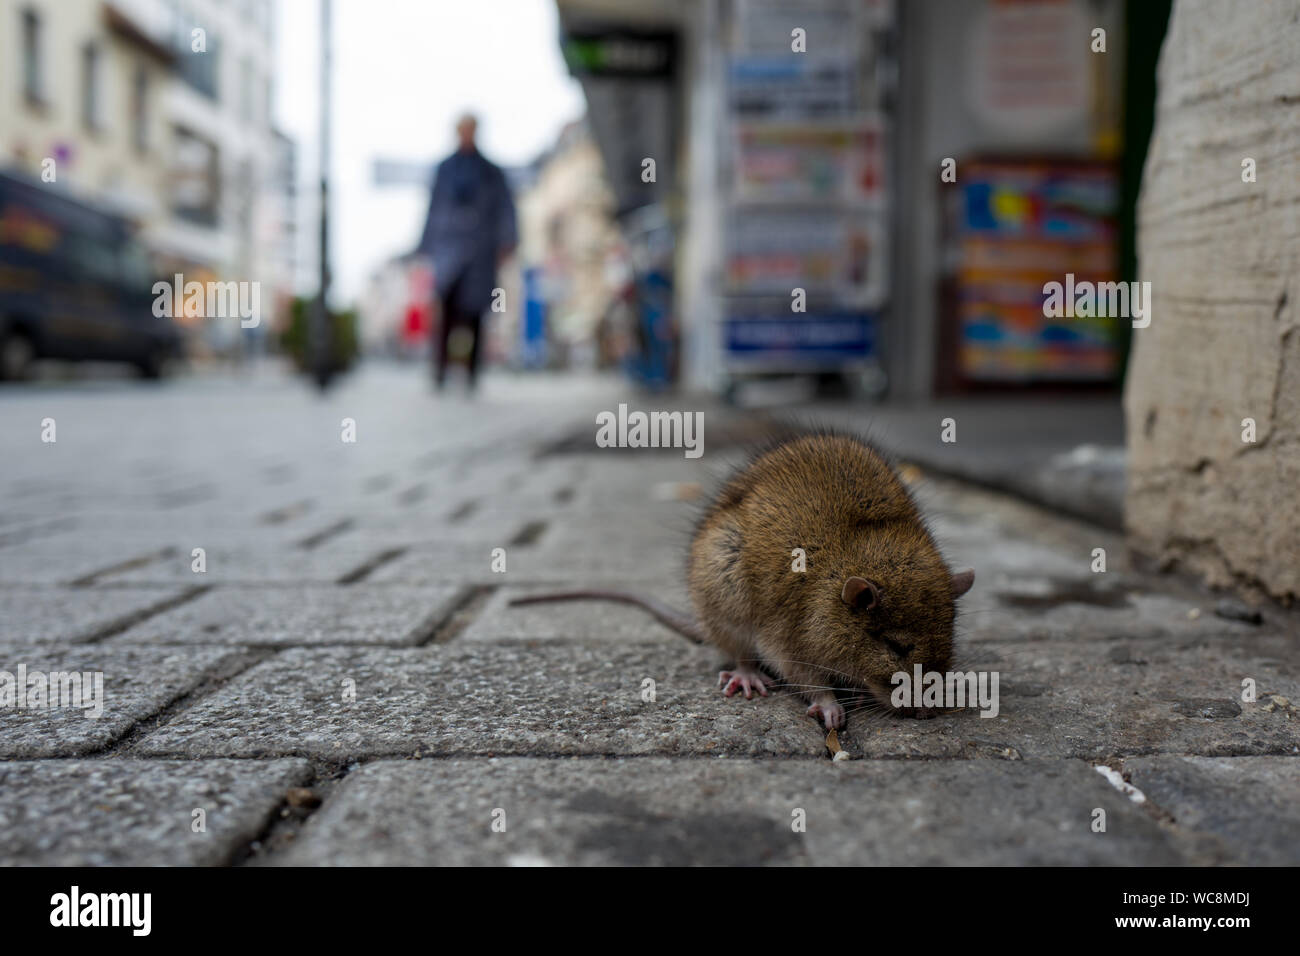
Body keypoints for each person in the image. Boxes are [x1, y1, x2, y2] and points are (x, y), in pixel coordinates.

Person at [416, 113, 517, 390]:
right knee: (446, 310)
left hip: (480, 250)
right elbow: (433, 208)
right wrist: (425, 248)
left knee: (475, 314)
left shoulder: (492, 172)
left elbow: (506, 208)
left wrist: (507, 242)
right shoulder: (444, 169)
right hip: (448, 249)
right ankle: (439, 370)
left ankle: (472, 373)